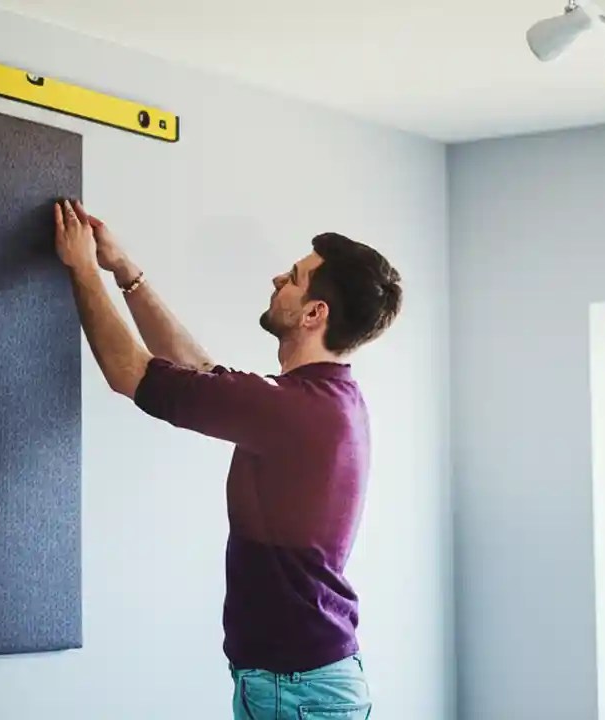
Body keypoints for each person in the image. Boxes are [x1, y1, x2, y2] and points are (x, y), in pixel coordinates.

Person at [53, 199, 402, 719]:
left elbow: (131, 373)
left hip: (297, 687)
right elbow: (198, 369)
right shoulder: (321, 399)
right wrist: (124, 272)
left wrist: (80, 268)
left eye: (295, 276)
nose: (277, 277)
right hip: (299, 682)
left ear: (314, 313)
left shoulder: (293, 409)